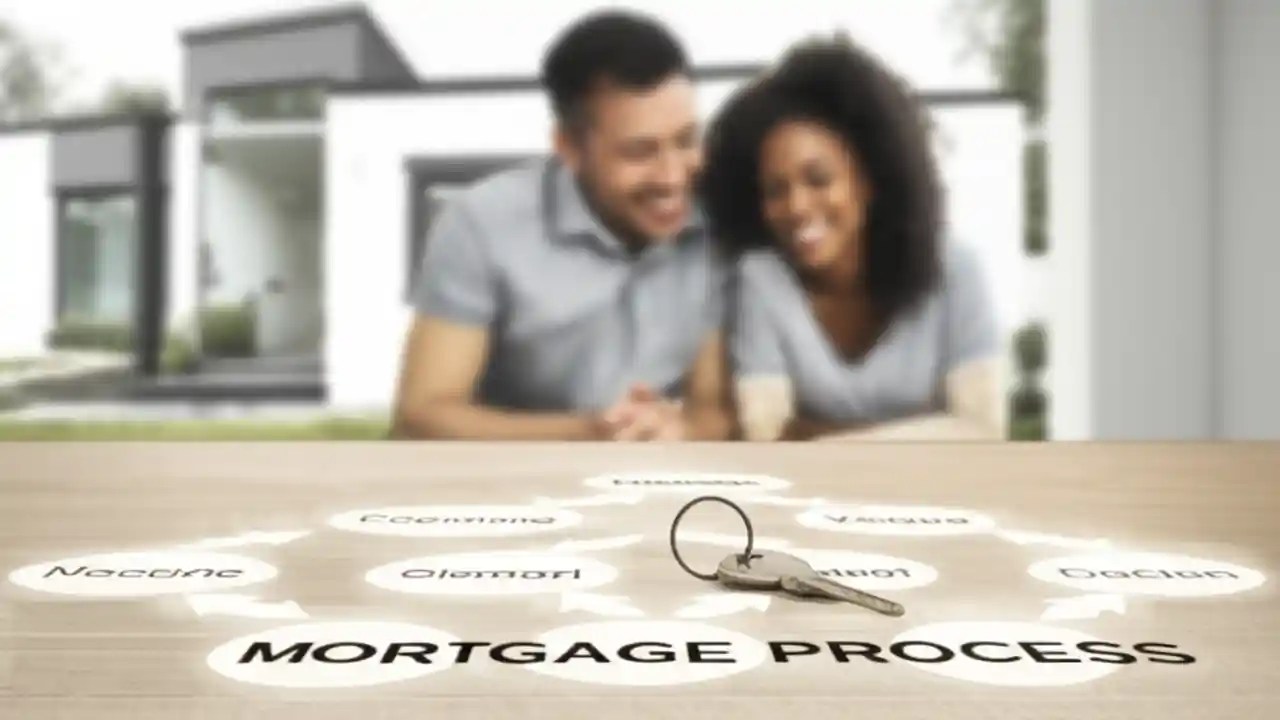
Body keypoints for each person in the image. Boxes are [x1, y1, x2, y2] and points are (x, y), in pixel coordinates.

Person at [392, 11, 733, 442]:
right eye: (639, 152)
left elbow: (713, 411)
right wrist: (591, 434)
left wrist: (674, 432)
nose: (672, 177)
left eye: (686, 141)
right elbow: (423, 414)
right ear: (568, 147)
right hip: (501, 488)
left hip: (652, 484)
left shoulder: (716, 223)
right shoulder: (482, 224)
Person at [700, 36, 1007, 442]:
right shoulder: (761, 279)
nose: (797, 206)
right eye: (775, 190)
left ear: (868, 179)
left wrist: (817, 436)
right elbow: (767, 436)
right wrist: (926, 428)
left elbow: (983, 432)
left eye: (819, 179)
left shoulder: (956, 269)